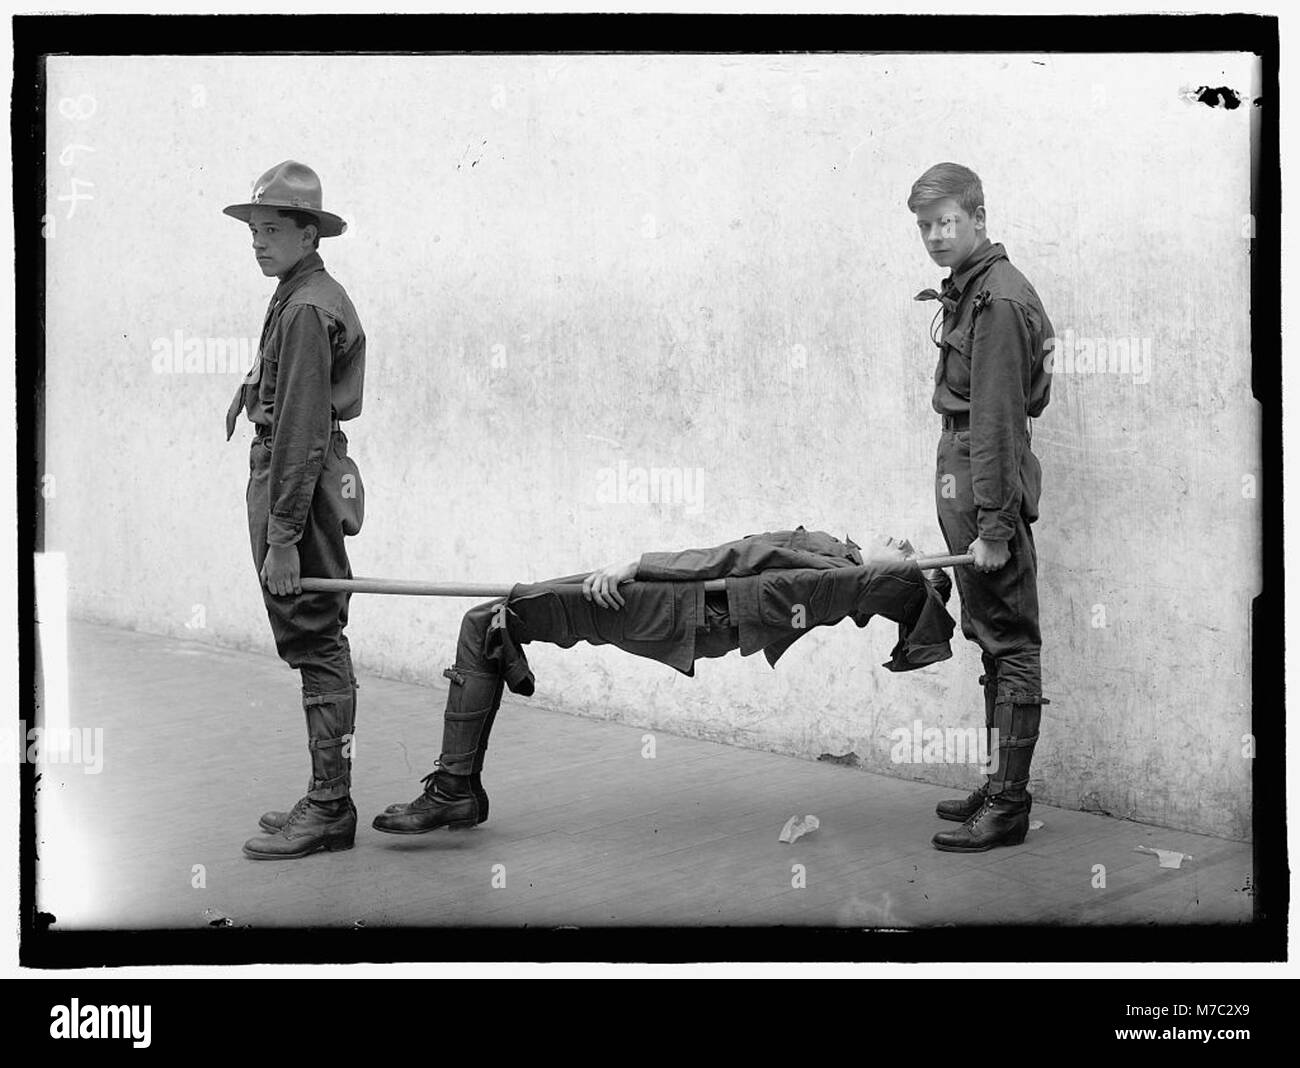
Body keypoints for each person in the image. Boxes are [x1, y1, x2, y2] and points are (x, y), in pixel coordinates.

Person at [365, 529, 956, 835]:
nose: (905, 543)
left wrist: (639, 564)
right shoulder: (844, 561)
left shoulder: (853, 576)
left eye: (912, 552)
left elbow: (731, 557)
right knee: (497, 616)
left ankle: (454, 791)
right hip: (678, 602)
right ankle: (462, 777)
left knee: (492, 616)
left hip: (674, 604)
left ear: (904, 576)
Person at [222, 161, 368, 860]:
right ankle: (324, 795)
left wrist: (283, 536)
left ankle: (331, 806)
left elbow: (303, 430)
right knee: (312, 637)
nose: (257, 240)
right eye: (254, 228)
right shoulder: (294, 293)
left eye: (273, 228)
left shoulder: (309, 306)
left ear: (310, 234)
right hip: (288, 477)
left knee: (316, 637)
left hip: (296, 486)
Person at [908, 162, 1053, 852]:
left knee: (1012, 645)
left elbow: (998, 416)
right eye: (925, 226)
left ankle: (1009, 805)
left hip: (982, 477)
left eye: (947, 222)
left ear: (979, 218)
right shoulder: (971, 290)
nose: (936, 236)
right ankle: (996, 784)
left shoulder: (997, 299)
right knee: (989, 639)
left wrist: (995, 525)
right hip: (965, 478)